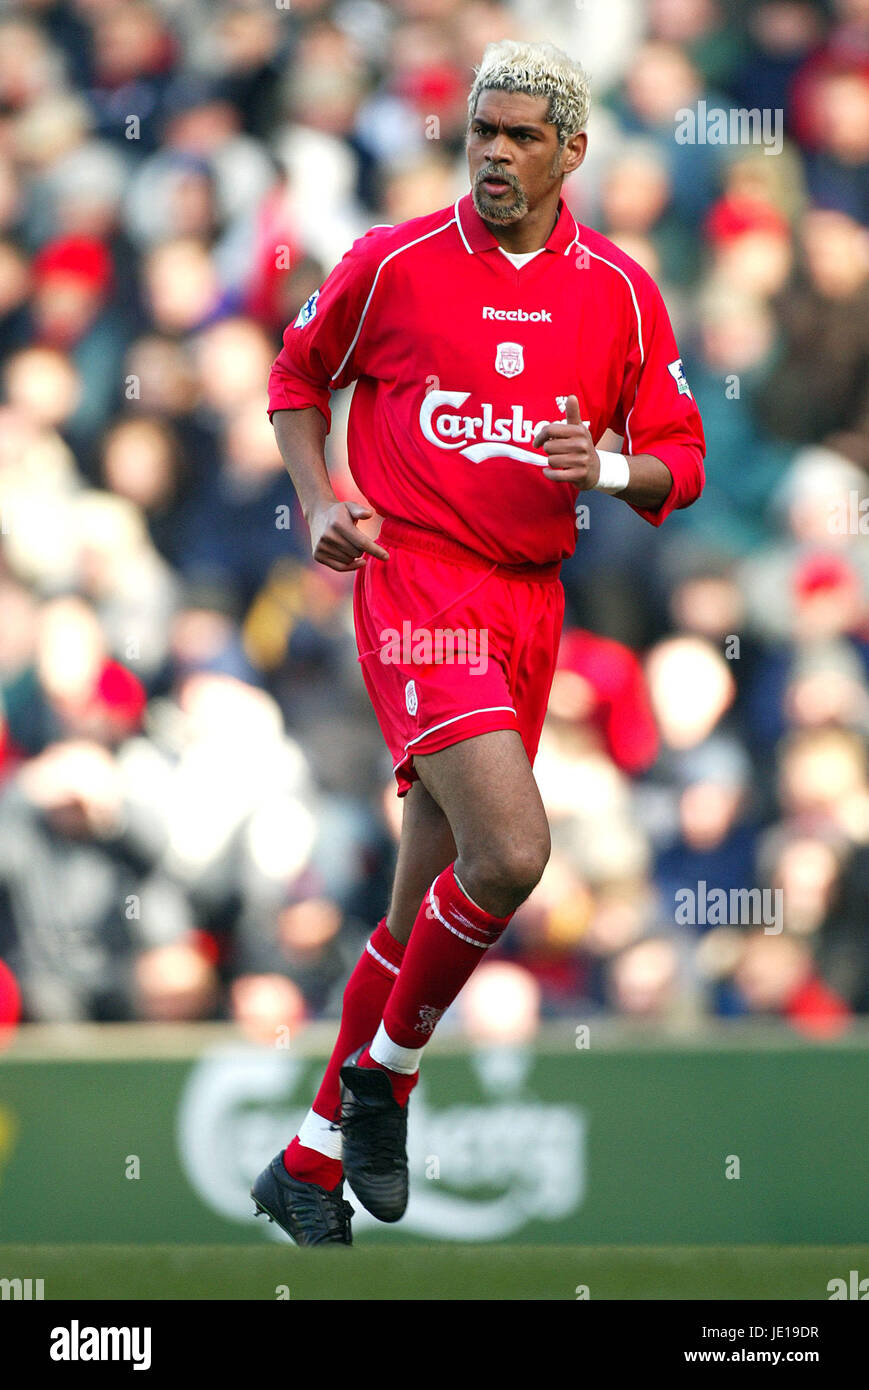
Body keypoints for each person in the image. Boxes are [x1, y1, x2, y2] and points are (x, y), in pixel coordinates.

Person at [251, 38, 705, 1245]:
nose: (493, 153)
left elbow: (681, 463)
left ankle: (308, 1157)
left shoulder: (615, 287)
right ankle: (388, 1080)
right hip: (416, 590)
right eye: (480, 132)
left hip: (528, 602)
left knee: (414, 919)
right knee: (509, 854)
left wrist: (604, 464)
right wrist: (321, 498)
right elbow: (296, 379)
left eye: (518, 136)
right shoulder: (392, 261)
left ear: (572, 150)